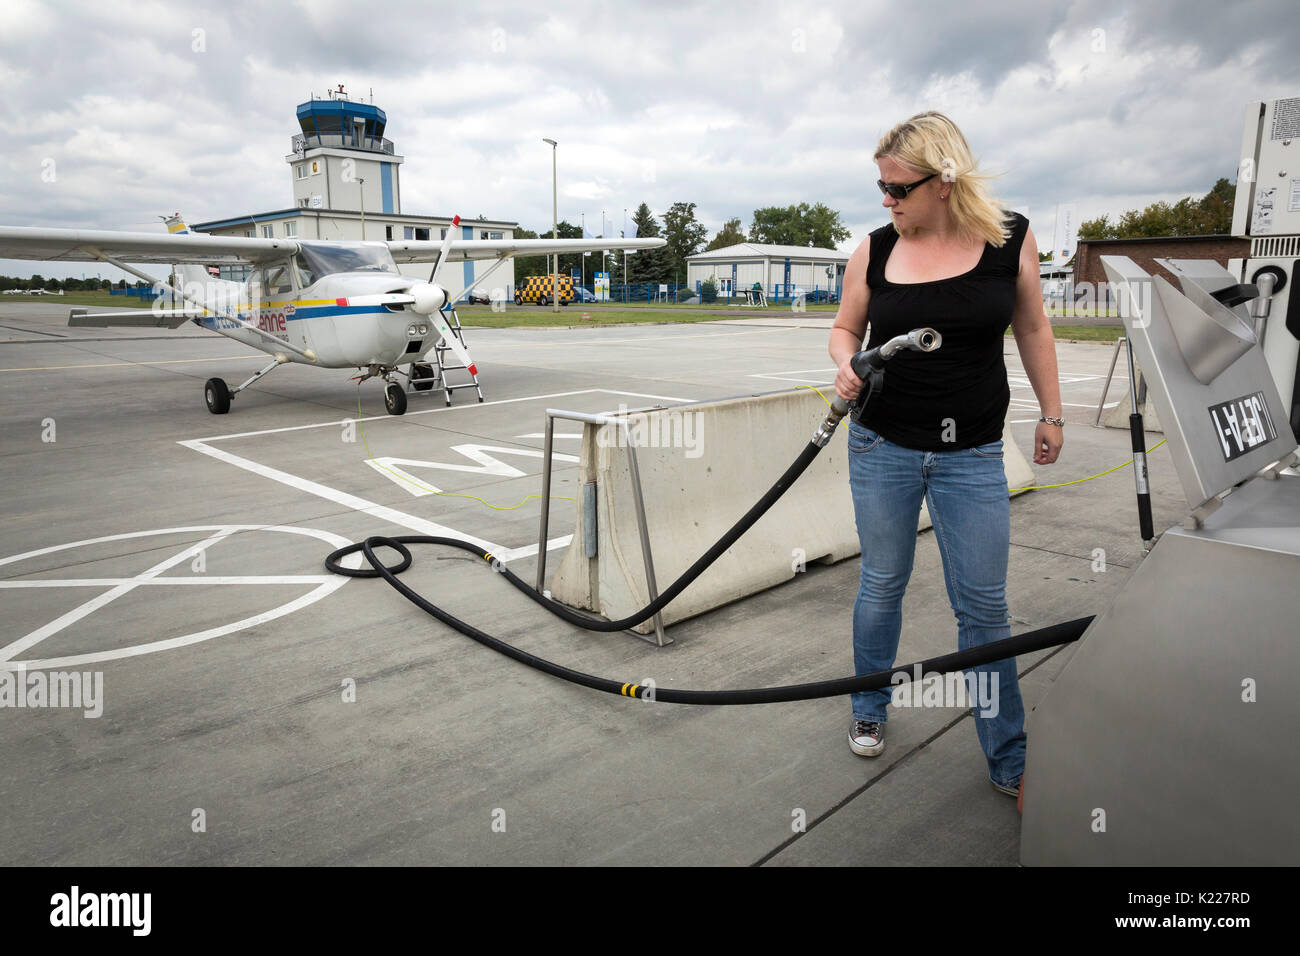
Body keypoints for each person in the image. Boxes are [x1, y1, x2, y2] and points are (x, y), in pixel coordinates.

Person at [828, 111, 1063, 797]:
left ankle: (1010, 759)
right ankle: (869, 706)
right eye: (882, 187)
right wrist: (846, 363)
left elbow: (1033, 324)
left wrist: (1051, 412)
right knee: (883, 584)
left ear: (945, 179)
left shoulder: (1009, 237)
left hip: (972, 456)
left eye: (899, 187)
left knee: (985, 610)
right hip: (882, 445)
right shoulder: (874, 249)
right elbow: (845, 327)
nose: (887, 200)